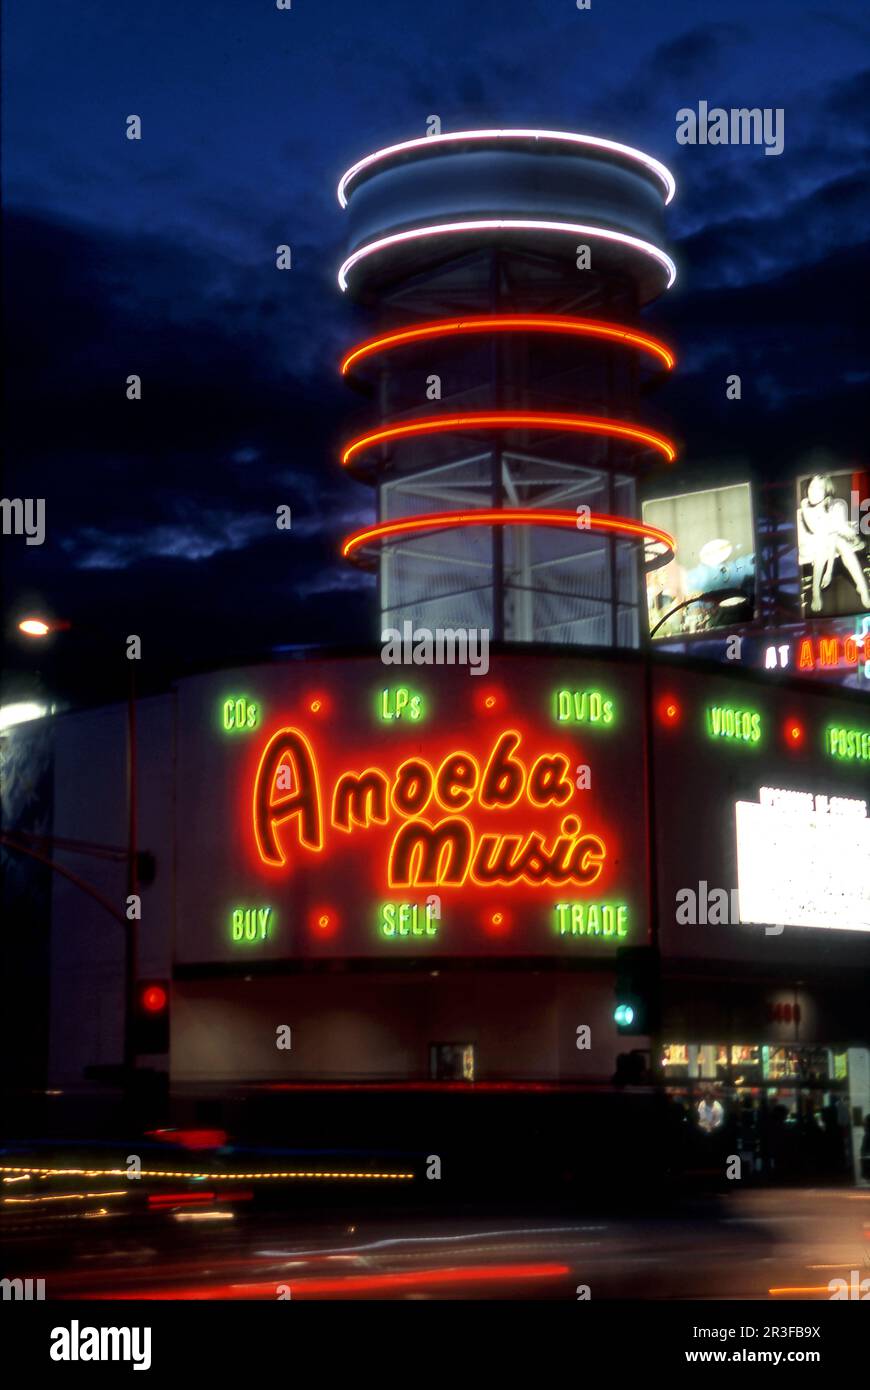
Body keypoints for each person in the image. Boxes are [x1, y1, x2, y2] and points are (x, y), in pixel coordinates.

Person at [798, 474, 870, 613]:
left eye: (819, 489)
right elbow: (816, 530)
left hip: (831, 540)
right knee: (825, 541)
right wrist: (838, 527)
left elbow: (831, 538)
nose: (813, 492)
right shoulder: (805, 505)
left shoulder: (833, 505)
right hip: (812, 541)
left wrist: (829, 571)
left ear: (826, 492)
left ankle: (862, 587)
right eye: (812, 487)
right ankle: (815, 591)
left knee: (841, 544)